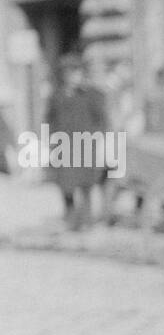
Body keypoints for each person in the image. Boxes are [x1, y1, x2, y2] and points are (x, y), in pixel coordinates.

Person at [45, 51, 109, 230]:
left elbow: (101, 120)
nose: (74, 77)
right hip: (63, 147)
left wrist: (98, 138)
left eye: (77, 73)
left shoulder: (90, 96)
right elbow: (49, 119)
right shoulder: (56, 97)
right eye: (70, 74)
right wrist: (49, 142)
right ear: (64, 76)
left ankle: (87, 220)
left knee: (86, 184)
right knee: (65, 184)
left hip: (85, 145)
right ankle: (70, 218)